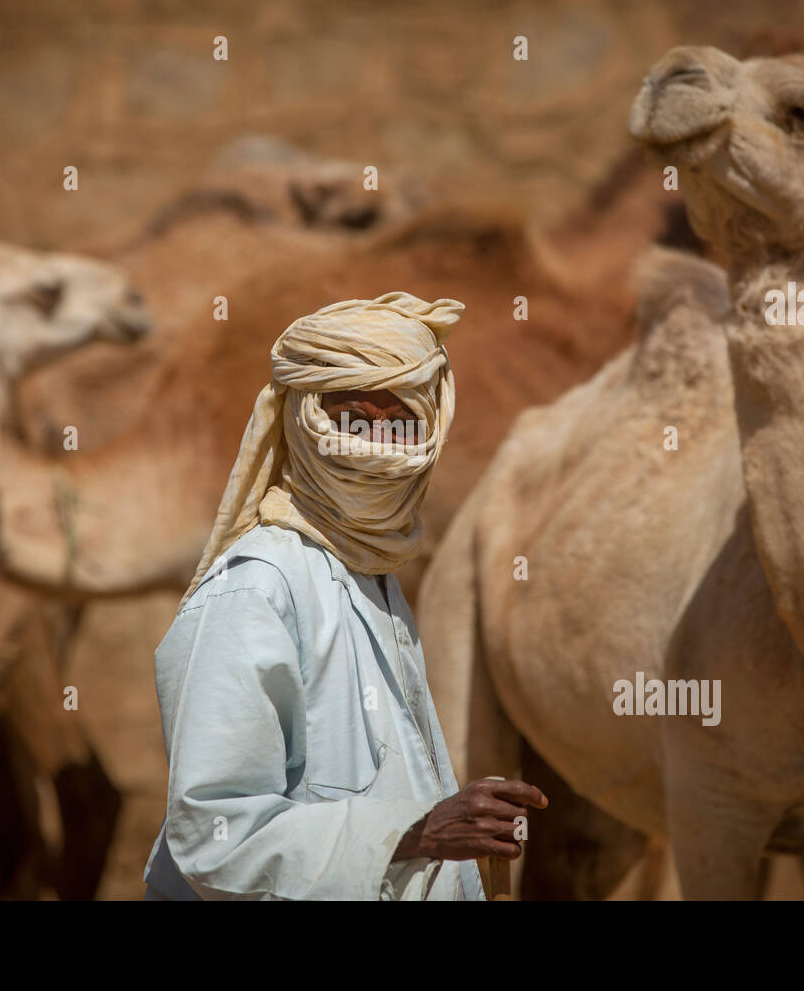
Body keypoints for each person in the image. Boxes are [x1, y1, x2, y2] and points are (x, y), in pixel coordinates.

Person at [143, 291, 548, 900]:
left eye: (402, 420)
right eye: (354, 419)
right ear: (305, 420)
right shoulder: (255, 588)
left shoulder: (370, 572)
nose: (378, 446)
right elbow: (213, 836)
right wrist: (415, 833)